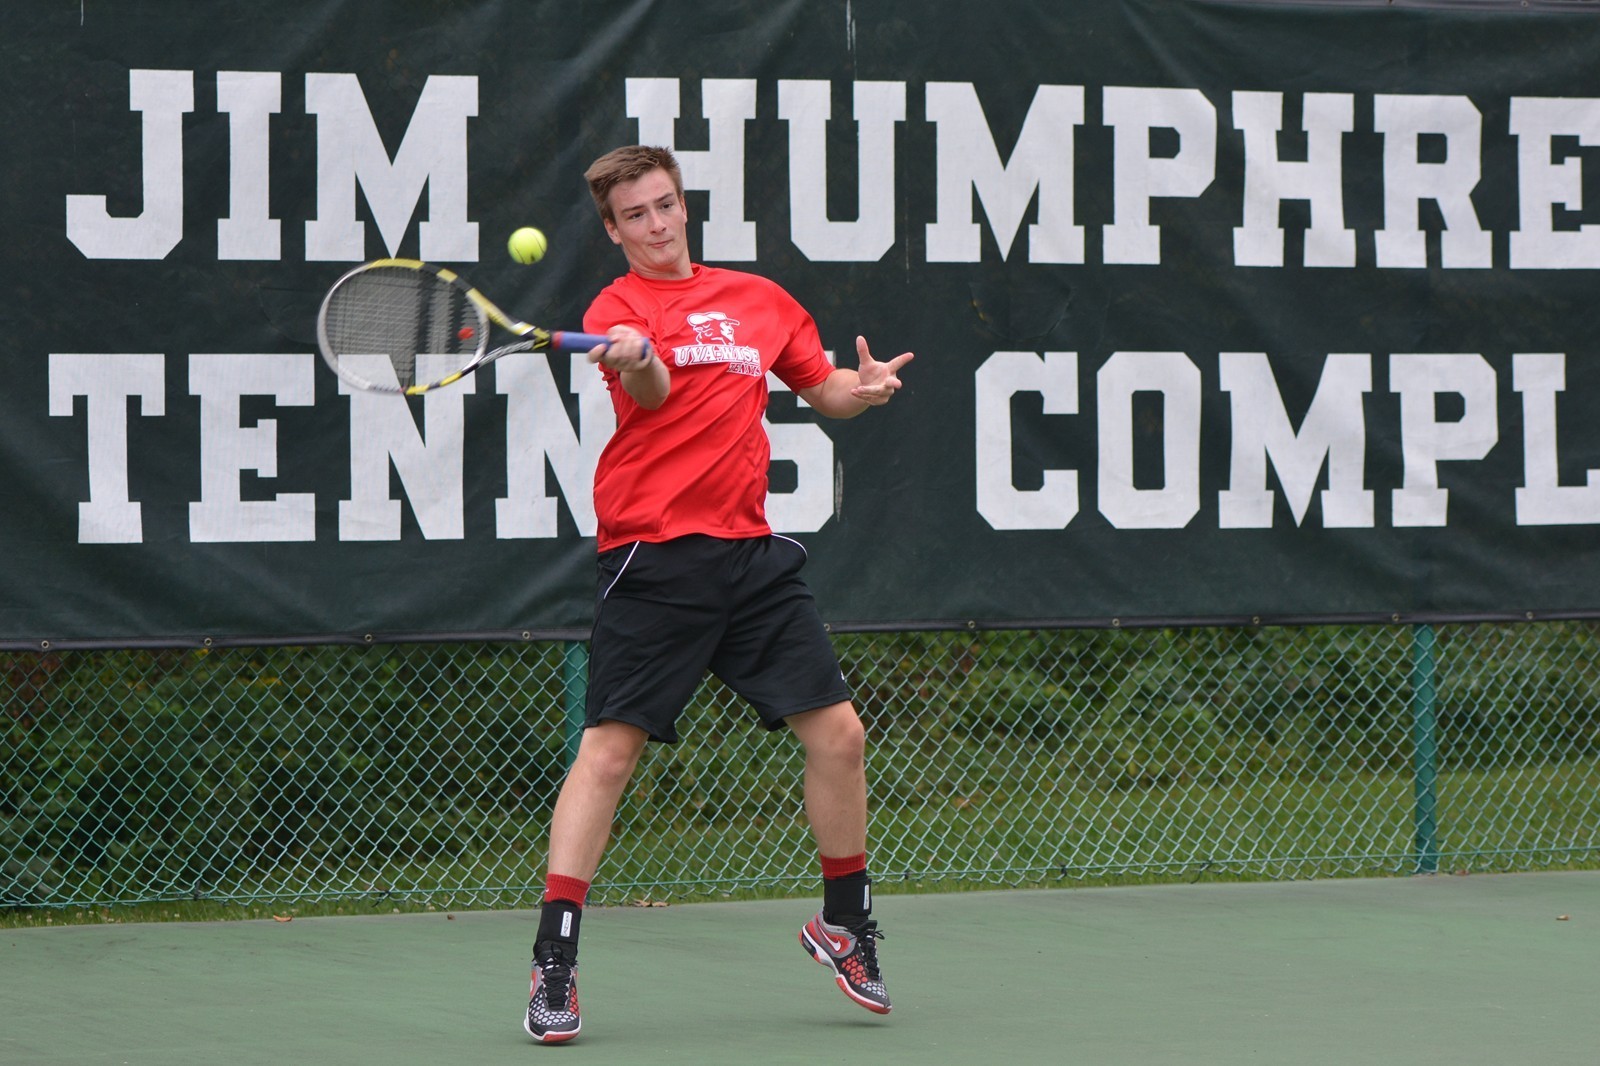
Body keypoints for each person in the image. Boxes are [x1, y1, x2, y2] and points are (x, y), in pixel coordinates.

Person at [523, 145, 914, 1045]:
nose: (656, 226)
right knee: (611, 754)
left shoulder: (759, 301)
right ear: (613, 230)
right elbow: (654, 394)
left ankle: (845, 922)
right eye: (636, 216)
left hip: (749, 558)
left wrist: (867, 388)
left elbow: (824, 392)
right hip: (653, 560)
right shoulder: (616, 310)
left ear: (682, 204)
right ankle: (555, 957)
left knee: (841, 734)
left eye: (665, 205)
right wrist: (634, 358)